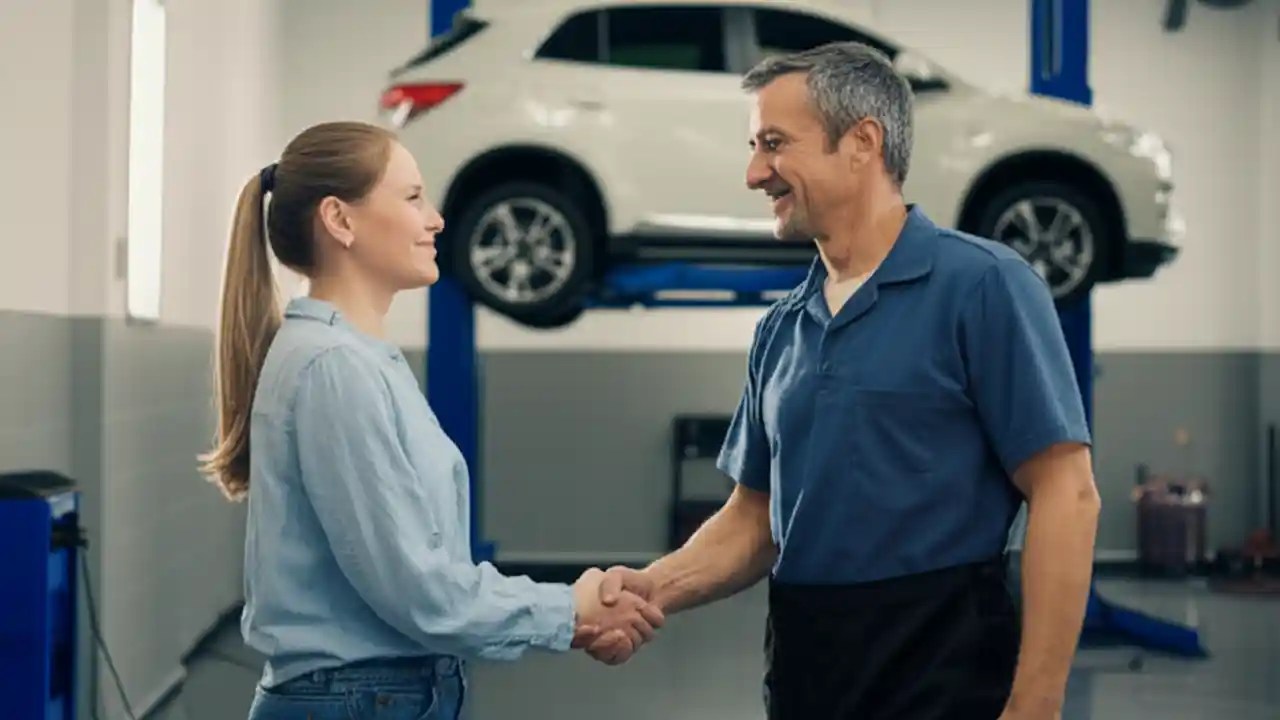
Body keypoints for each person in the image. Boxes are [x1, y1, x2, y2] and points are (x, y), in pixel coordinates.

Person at [588, 42, 1102, 719]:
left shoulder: (983, 286)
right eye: (753, 145)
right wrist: (648, 590)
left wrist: (1036, 702)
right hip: (808, 666)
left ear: (862, 142)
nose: (753, 173)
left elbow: (1066, 491)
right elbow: (754, 519)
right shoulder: (782, 327)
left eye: (774, 144)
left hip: (944, 669)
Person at [197, 121, 662, 720]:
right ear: (340, 220)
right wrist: (569, 610)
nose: (437, 219)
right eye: (414, 197)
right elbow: (417, 590)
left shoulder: (356, 360)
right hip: (356, 702)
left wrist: (574, 609)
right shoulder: (334, 368)